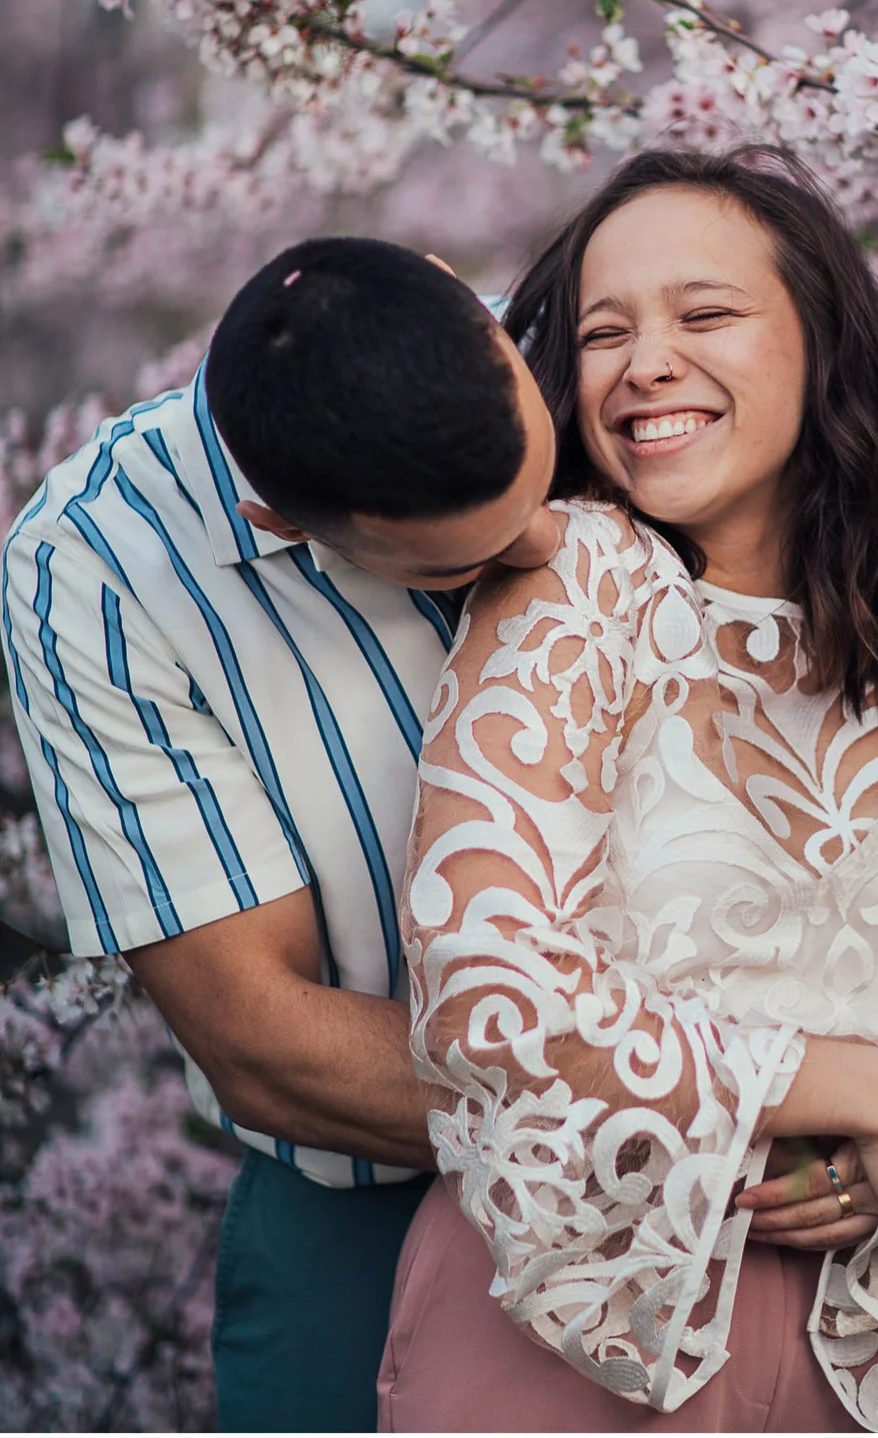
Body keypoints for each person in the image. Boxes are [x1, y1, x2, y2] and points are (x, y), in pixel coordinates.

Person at [374, 146, 878, 1433]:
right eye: (604, 334)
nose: (645, 363)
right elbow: (492, 985)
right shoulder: (574, 583)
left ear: (822, 344)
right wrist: (869, 1090)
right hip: (577, 1321)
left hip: (875, 1341)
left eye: (704, 314)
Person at [2, 238, 566, 1430]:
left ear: (449, 278)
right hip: (386, 1190)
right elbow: (265, 1040)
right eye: (469, 563)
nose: (547, 546)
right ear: (284, 524)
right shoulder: (94, 568)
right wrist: (703, 1123)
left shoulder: (592, 331)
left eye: (548, 491)